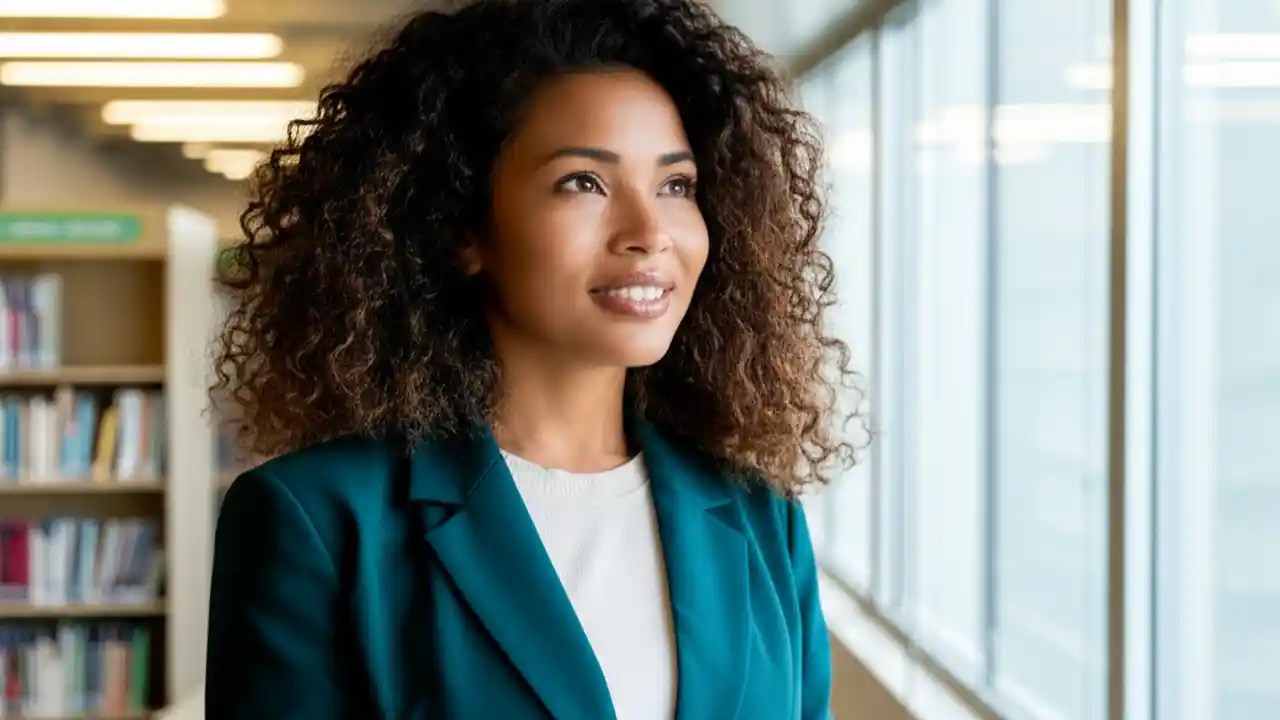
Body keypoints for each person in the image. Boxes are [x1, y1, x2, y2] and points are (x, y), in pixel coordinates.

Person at [205, 0, 863, 718]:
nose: (650, 232)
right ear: (461, 227)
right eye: (584, 181)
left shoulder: (761, 517)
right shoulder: (318, 523)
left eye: (676, 185)